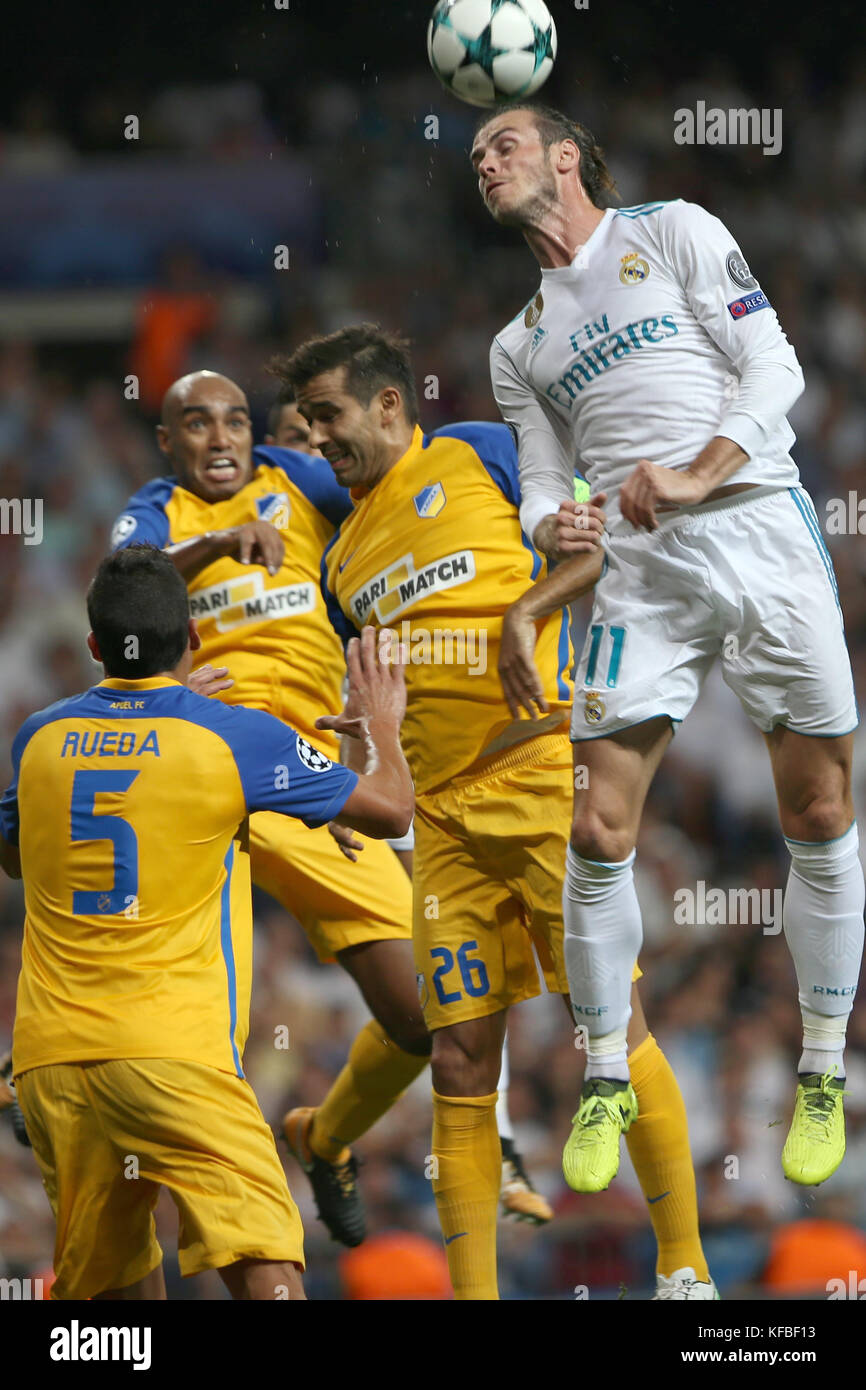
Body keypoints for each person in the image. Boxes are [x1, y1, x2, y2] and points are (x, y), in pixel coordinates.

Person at [271, 322, 717, 1300]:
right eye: (309, 423)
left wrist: (534, 608)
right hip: (441, 826)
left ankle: (683, 1267)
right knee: (462, 1052)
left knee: (610, 1018)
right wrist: (354, 758)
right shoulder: (339, 564)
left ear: (391, 403)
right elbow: (377, 690)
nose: (321, 438)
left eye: (330, 416)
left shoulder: (485, 452)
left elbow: (590, 544)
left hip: (535, 775)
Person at [471, 101, 863, 1193]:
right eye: (473, 156)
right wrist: (551, 524)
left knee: (821, 811)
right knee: (595, 826)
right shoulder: (517, 344)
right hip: (635, 577)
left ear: (562, 155)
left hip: (755, 530)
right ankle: (604, 1070)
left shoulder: (673, 230)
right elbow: (543, 479)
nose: (485, 164)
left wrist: (692, 470)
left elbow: (772, 367)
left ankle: (820, 1066)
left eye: (500, 145)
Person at [110, 370, 551, 1243]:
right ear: (169, 442)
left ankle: (325, 1134)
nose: (221, 437)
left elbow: (382, 491)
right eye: (197, 423)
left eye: (236, 420)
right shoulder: (158, 510)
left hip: (307, 775)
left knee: (422, 1017)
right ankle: (37, 1069)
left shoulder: (296, 479)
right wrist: (218, 545)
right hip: (205, 757)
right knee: (166, 966)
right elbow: (123, 582)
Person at [0, 545, 412, 1300]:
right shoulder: (231, 736)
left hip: (51, 1063)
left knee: (110, 1305)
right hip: (174, 1055)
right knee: (267, 1264)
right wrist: (381, 722)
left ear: (95, 646)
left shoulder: (36, 739)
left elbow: (14, 859)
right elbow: (389, 812)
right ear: (192, 638)